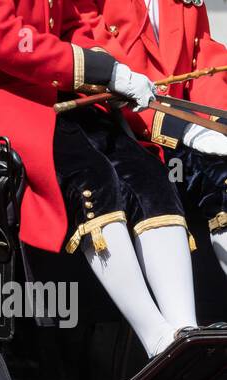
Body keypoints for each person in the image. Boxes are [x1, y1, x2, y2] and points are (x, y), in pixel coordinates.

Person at [0, 0, 197, 357]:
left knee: (146, 173)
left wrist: (110, 67)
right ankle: (157, 340)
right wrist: (98, 69)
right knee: (90, 176)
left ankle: (184, 330)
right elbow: (2, 39)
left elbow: (69, 25)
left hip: (47, 88)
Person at [74, 0, 227, 276]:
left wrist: (216, 122)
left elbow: (201, 50)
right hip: (120, 122)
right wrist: (181, 128)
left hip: (183, 112)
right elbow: (96, 58)